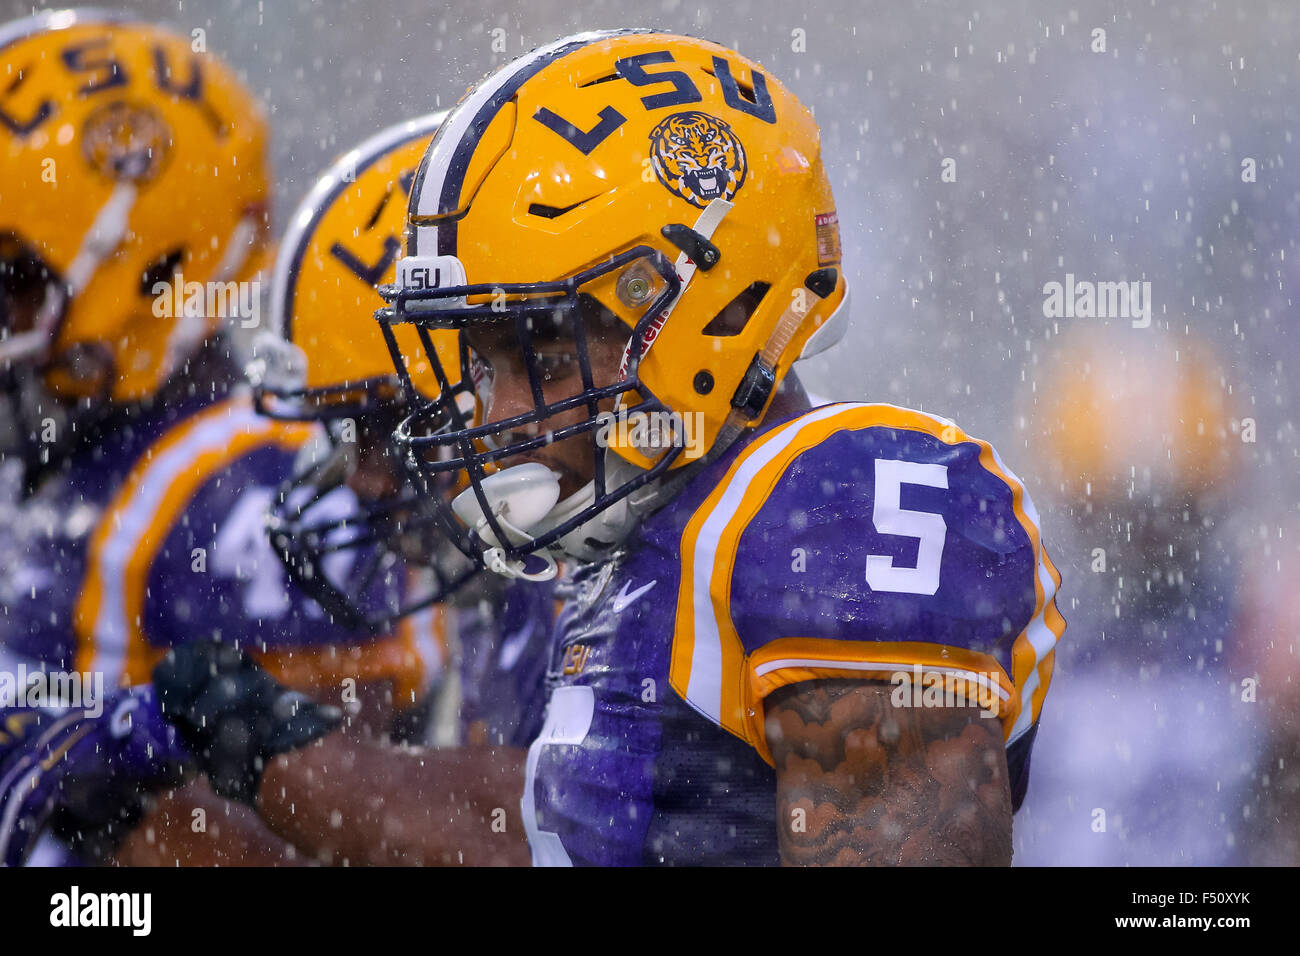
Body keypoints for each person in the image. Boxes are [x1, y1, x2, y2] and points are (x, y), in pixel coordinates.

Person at [377, 28, 1065, 865]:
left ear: (712, 315)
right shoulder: (633, 550)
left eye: (545, 357)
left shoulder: (826, 506)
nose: (507, 414)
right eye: (487, 362)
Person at [0, 10, 422, 866]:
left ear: (152, 265)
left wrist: (92, 793)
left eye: (14, 280)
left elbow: (338, 827)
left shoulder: (244, 481)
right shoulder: (83, 457)